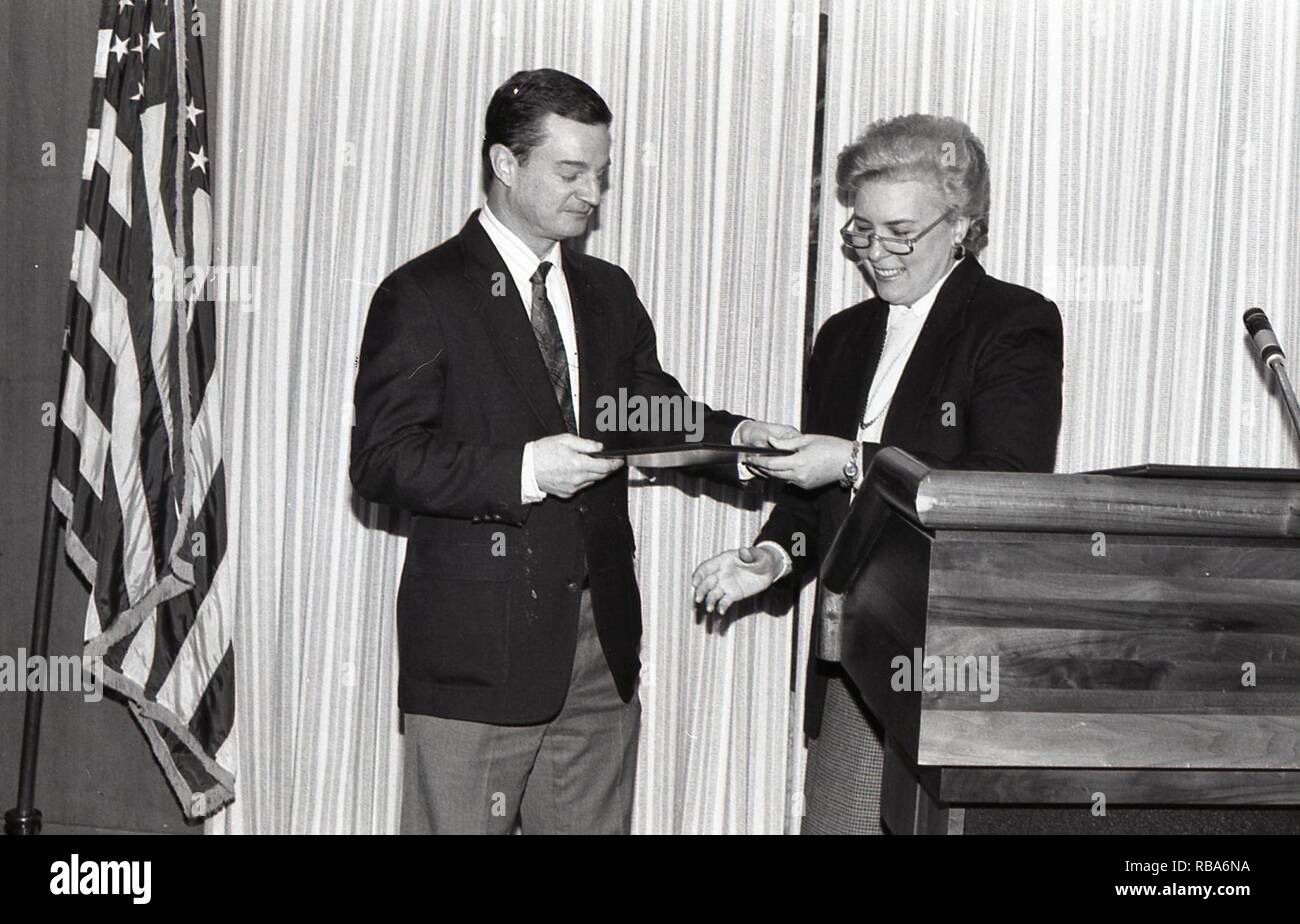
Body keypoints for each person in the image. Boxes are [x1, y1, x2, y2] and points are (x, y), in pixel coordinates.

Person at [350, 68, 790, 834]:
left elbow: (646, 412)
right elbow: (382, 460)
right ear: (504, 163)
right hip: (476, 656)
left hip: (599, 649)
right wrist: (524, 470)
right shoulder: (422, 294)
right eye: (571, 171)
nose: (592, 192)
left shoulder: (607, 291)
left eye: (601, 173)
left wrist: (740, 440)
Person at [691, 113, 1064, 834]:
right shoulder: (840, 338)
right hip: (851, 658)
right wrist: (772, 558)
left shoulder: (1013, 322)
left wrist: (854, 460)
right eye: (863, 230)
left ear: (961, 225)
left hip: (953, 663)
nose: (878, 254)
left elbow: (1005, 484)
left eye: (902, 232)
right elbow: (813, 506)